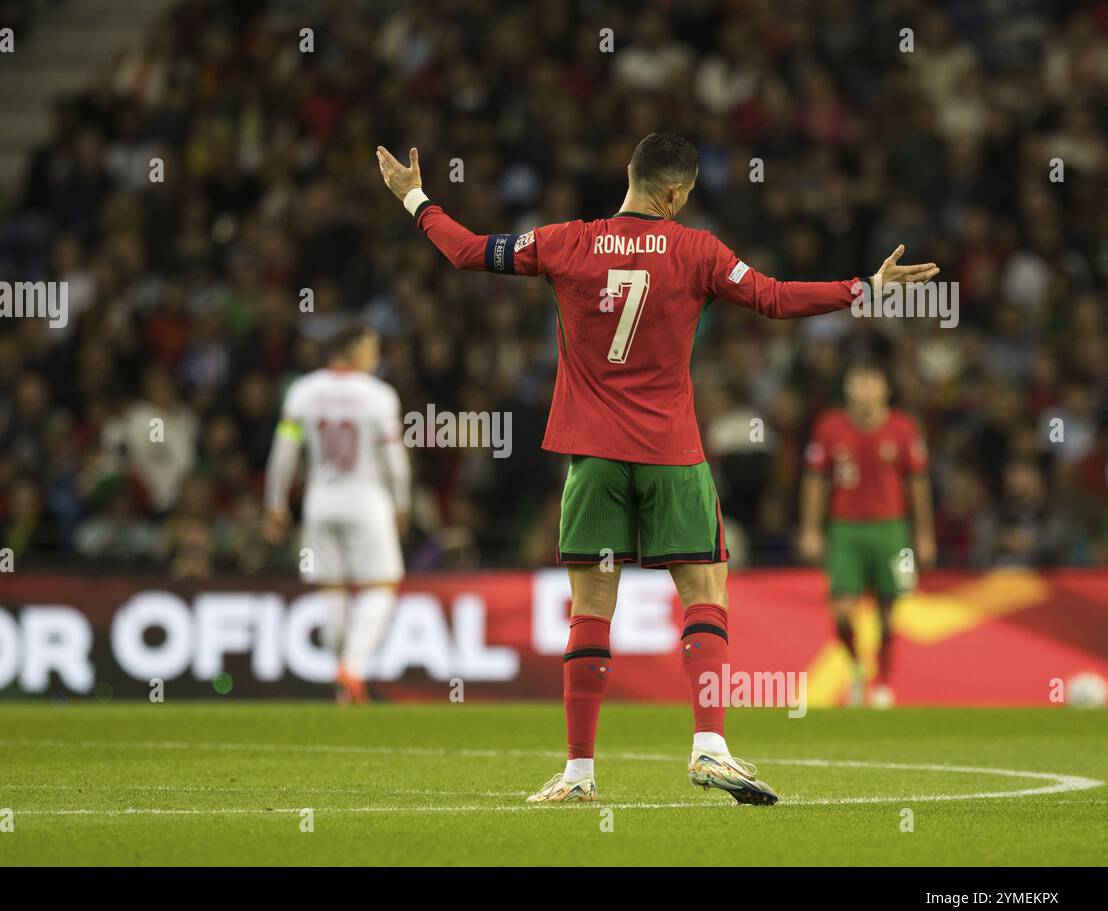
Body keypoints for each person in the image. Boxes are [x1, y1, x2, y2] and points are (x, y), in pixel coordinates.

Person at [376, 133, 938, 804]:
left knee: (590, 611)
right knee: (704, 596)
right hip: (672, 453)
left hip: (592, 457)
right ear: (674, 193)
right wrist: (866, 286)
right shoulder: (697, 249)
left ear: (629, 173)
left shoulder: (566, 241)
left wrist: (412, 195)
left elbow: (468, 251)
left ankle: (580, 773)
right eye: (687, 195)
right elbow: (776, 298)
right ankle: (710, 748)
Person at [263, 325, 411, 704]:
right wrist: (402, 503)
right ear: (353, 351)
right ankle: (353, 669)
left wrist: (276, 503)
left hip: (320, 502)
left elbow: (283, 454)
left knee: (332, 590)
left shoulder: (302, 391)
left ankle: (341, 682)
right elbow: (395, 461)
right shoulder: (378, 396)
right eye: (372, 348)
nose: (375, 357)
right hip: (367, 500)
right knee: (381, 586)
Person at [799, 361, 936, 708]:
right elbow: (815, 479)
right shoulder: (829, 426)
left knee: (889, 612)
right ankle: (858, 667)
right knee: (842, 612)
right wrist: (811, 528)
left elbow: (917, 482)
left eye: (870, 382)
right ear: (847, 388)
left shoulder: (903, 428)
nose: (863, 389)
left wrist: (923, 534)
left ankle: (884, 685)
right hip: (844, 530)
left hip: (892, 530)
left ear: (885, 389)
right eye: (857, 382)